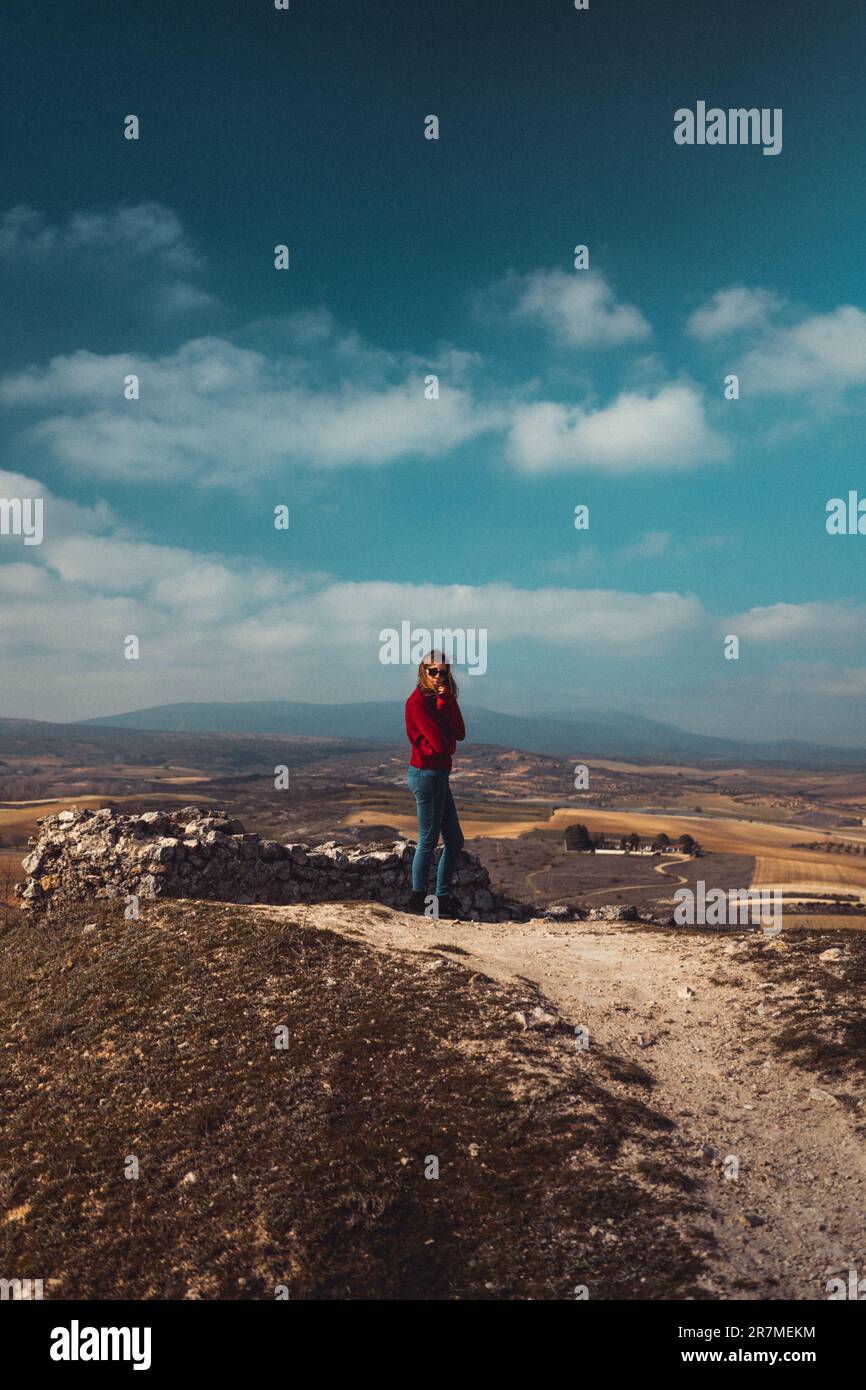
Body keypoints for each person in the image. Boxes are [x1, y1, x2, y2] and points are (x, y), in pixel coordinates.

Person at [404, 650, 466, 917]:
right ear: (423, 671)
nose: (439, 676)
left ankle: (441, 898)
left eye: (443, 672)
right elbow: (443, 745)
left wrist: (446, 700)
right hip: (426, 774)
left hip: (438, 774)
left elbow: (460, 732)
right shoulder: (417, 703)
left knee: (455, 840)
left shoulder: (441, 698)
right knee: (428, 840)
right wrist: (448, 741)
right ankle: (419, 900)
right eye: (433, 671)